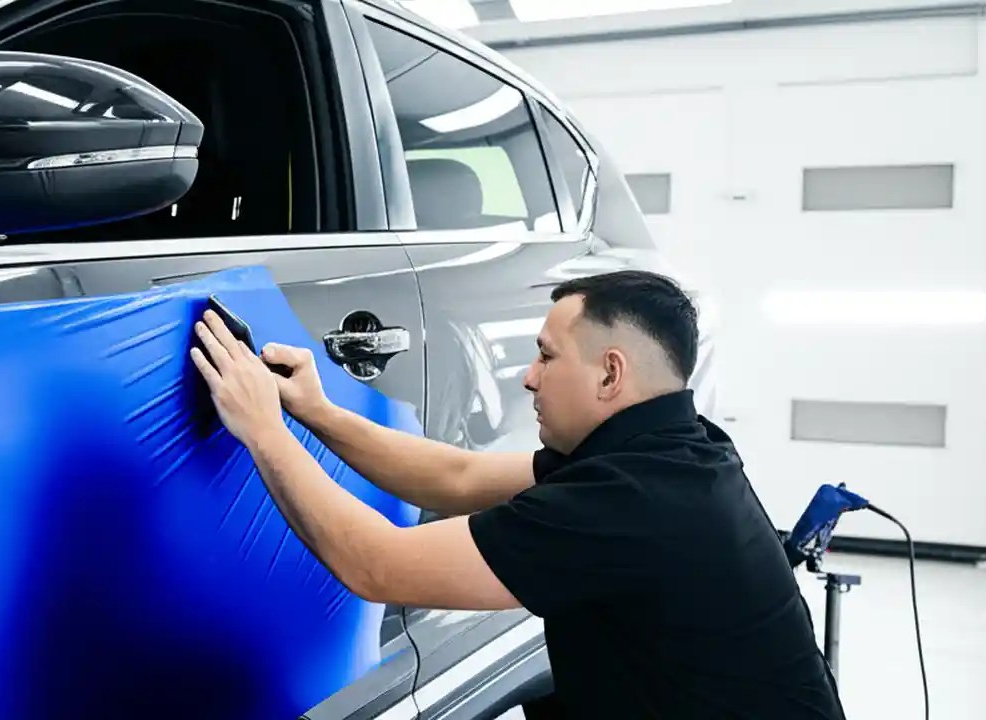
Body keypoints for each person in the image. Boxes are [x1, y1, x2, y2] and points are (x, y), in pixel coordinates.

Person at [190, 270, 846, 719]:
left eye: (547, 356)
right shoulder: (675, 447)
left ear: (611, 373)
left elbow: (377, 565)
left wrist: (263, 433)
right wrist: (316, 412)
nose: (528, 378)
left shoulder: (635, 502)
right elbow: (458, 478)